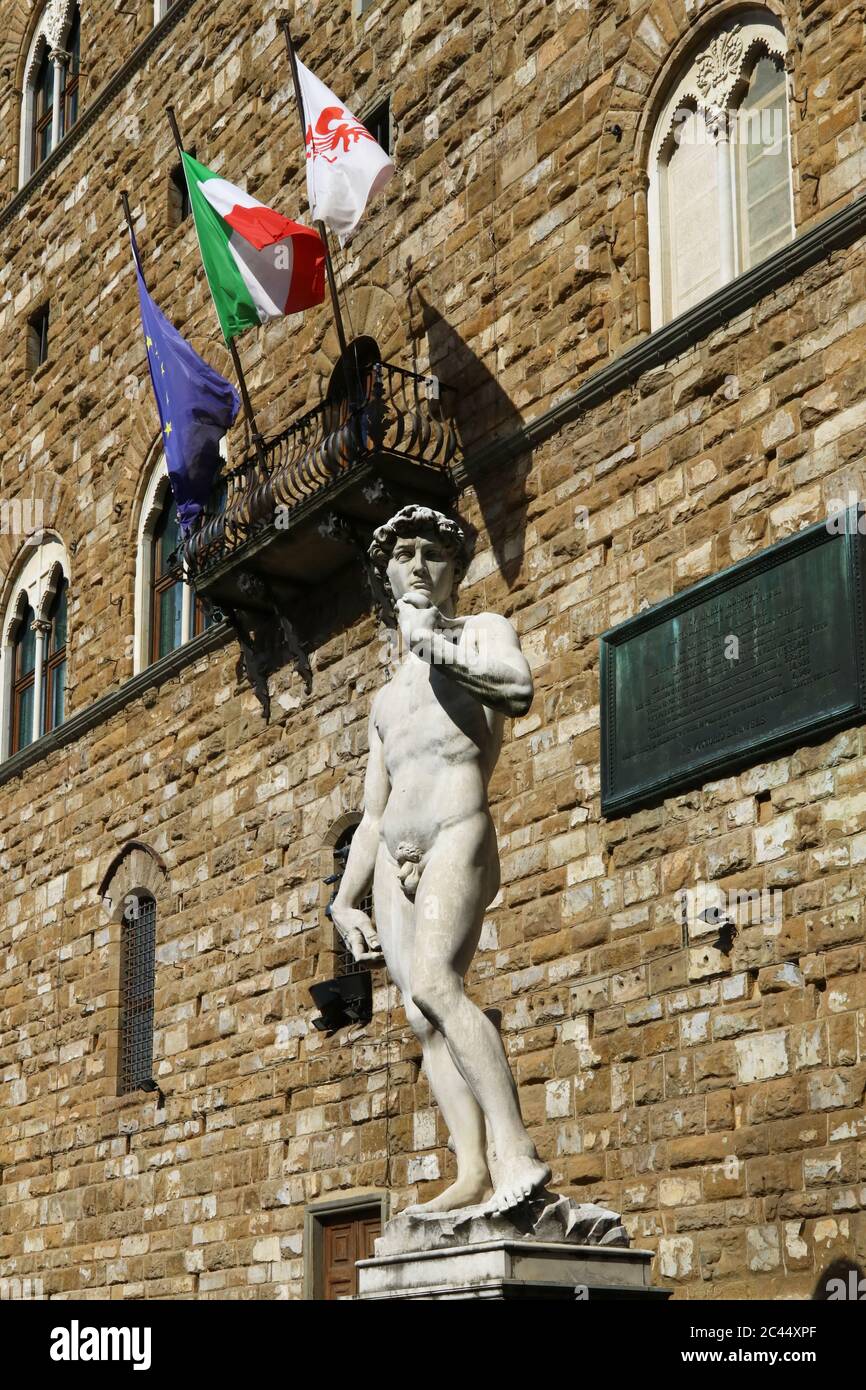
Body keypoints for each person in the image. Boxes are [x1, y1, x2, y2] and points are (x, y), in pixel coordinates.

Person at [331, 505, 550, 1214]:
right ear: (388, 576)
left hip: (459, 829)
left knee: (436, 979)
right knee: (422, 1015)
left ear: (454, 571)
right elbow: (369, 815)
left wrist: (436, 647)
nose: (419, 564)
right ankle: (473, 1171)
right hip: (395, 862)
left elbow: (518, 690)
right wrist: (343, 900)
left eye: (433, 553)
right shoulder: (384, 701)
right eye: (405, 555)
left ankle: (515, 1150)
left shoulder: (481, 633)